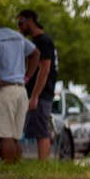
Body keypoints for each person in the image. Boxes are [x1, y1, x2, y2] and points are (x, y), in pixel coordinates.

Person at [0, 10, 39, 164]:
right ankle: (15, 170)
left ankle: (7, 170)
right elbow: (35, 54)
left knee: (4, 135)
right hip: (20, 91)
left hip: (3, 91)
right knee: (14, 137)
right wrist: (26, 77)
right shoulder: (15, 34)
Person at [17, 10, 57, 160]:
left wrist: (35, 96)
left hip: (41, 93)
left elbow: (45, 69)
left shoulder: (43, 41)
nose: (19, 28)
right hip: (36, 93)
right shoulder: (35, 41)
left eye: (21, 23)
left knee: (41, 132)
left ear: (30, 21)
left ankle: (43, 165)